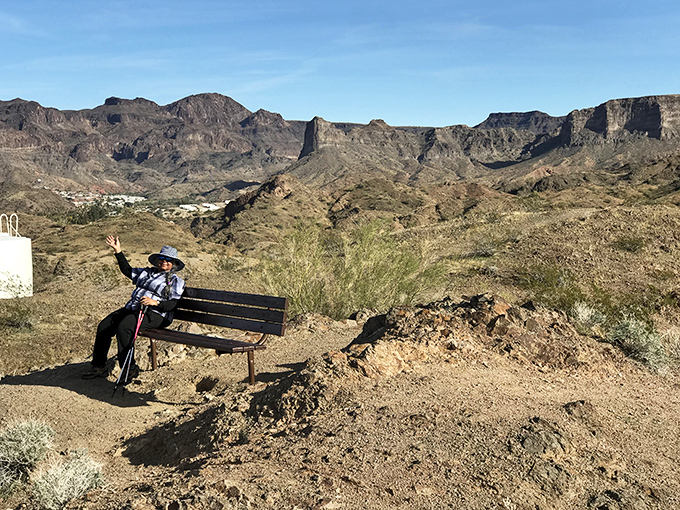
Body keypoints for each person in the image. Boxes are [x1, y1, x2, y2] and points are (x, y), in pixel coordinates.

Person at [82, 236, 186, 382]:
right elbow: (127, 270)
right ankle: (99, 366)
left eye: (168, 260)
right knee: (104, 326)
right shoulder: (146, 273)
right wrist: (118, 251)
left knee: (124, 327)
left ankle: (129, 368)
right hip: (134, 308)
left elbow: (173, 304)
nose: (164, 262)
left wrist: (155, 302)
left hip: (157, 313)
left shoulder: (175, 281)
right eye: (162, 258)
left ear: (174, 264)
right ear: (157, 260)